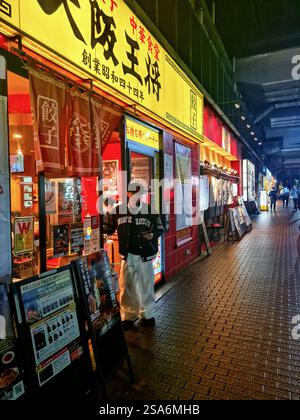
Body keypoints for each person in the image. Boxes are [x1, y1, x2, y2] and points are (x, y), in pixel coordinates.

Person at [103, 188, 164, 330]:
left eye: (139, 192)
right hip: (127, 254)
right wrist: (100, 231)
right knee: (126, 286)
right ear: (128, 193)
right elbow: (107, 227)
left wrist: (153, 235)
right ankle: (128, 316)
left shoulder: (150, 210)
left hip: (145, 256)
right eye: (132, 192)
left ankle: (147, 314)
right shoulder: (118, 210)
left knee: (146, 285)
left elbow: (160, 228)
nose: (135, 195)